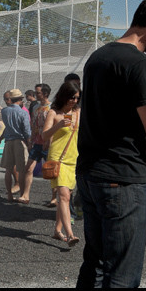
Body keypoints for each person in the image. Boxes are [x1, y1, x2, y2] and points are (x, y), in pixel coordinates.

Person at [75, 0, 146, 288]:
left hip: (90, 174)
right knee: (123, 274)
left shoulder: (98, 57)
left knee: (96, 263)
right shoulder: (140, 64)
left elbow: (123, 112)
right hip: (122, 179)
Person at [44, 80, 81, 244]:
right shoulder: (54, 113)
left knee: (65, 197)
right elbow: (44, 136)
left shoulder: (78, 113)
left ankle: (57, 231)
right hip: (58, 158)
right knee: (64, 196)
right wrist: (58, 125)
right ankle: (70, 235)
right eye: (71, 97)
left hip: (74, 159)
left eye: (77, 97)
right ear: (64, 96)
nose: (74, 100)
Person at [0, 89, 32, 202]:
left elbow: (7, 127)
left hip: (8, 141)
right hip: (20, 141)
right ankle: (22, 194)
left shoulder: (5, 111)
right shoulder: (23, 112)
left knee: (8, 169)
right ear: (20, 99)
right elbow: (26, 130)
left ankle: (10, 195)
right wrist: (29, 142)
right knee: (21, 170)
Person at [19, 82, 51, 205]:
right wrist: (31, 140)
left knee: (51, 170)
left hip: (47, 143)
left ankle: (54, 197)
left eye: (38, 92)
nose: (36, 94)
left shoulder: (52, 108)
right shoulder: (36, 107)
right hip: (37, 142)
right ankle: (26, 195)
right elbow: (33, 125)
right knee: (29, 168)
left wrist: (49, 141)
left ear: (45, 94)